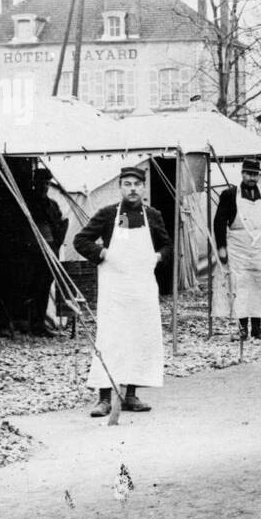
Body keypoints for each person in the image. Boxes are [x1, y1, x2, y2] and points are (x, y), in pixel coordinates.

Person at [73, 167, 171, 417]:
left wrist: (158, 257)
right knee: (111, 337)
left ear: (143, 187)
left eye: (137, 184)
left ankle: (131, 395)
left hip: (142, 288)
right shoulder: (108, 215)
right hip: (114, 289)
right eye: (127, 184)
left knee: (138, 336)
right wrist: (102, 253)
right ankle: (104, 398)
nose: (132, 189)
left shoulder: (152, 215)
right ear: (120, 187)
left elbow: (167, 245)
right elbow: (81, 240)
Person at [214, 156, 261, 341]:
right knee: (240, 286)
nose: (252, 178)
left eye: (255, 175)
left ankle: (257, 328)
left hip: (259, 246)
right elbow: (219, 221)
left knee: (259, 284)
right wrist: (221, 247)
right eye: (249, 174)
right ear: (242, 173)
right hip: (238, 246)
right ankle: (242, 328)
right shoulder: (229, 194)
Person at [26, 169, 67, 336]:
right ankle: (30, 324)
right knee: (32, 286)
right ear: (35, 183)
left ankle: (39, 324)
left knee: (44, 285)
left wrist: (56, 243)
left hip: (50, 249)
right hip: (33, 250)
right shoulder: (27, 202)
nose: (44, 186)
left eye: (47, 183)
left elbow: (59, 224)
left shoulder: (52, 204)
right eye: (41, 183)